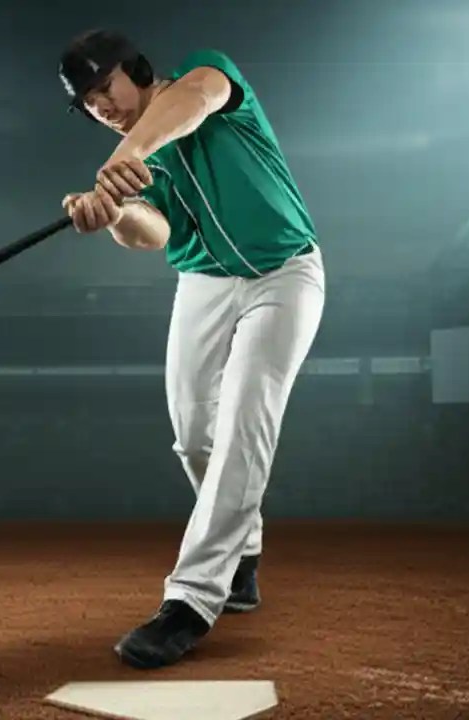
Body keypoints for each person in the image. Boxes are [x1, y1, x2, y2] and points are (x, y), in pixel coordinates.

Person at [58, 29, 326, 669]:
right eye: (88, 103)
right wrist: (113, 213)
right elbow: (151, 235)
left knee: (242, 421)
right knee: (193, 434)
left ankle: (192, 599)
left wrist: (129, 153)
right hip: (204, 280)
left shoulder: (203, 75)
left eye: (106, 87)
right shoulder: (131, 164)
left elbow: (198, 99)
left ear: (137, 69)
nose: (102, 106)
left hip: (282, 272)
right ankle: (246, 546)